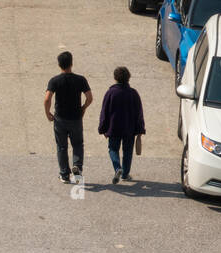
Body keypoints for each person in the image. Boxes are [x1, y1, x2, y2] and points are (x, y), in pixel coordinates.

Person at [44, 51, 92, 184]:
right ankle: (77, 168)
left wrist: (47, 113)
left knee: (62, 146)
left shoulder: (54, 81)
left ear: (59, 65)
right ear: (72, 63)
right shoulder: (80, 80)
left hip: (60, 119)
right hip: (76, 118)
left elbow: (47, 99)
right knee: (77, 144)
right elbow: (89, 98)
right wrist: (83, 108)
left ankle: (64, 174)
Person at [97, 66, 146, 184]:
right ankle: (125, 174)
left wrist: (102, 128)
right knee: (128, 151)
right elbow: (139, 113)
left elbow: (105, 112)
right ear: (128, 78)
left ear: (115, 78)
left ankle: (117, 168)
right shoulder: (133, 93)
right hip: (129, 129)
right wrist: (140, 129)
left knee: (113, 149)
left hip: (113, 128)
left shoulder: (110, 93)